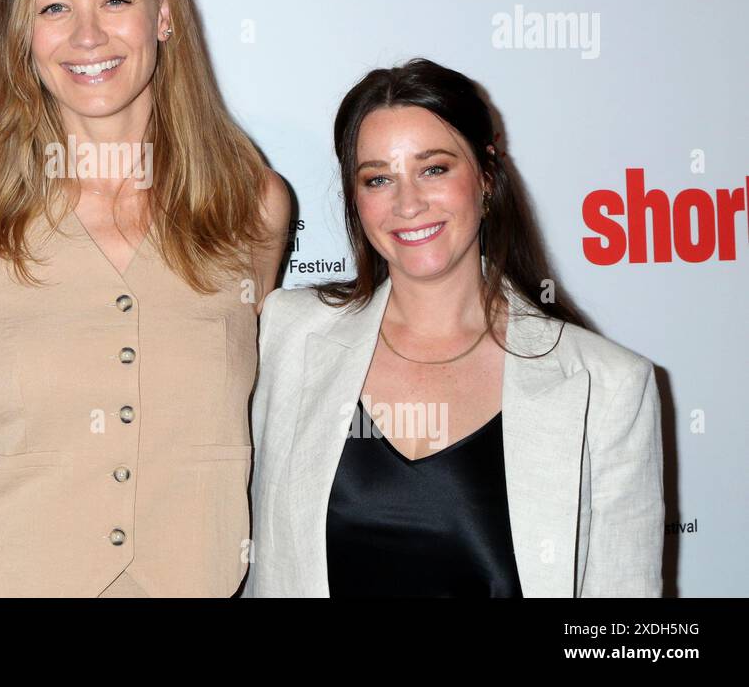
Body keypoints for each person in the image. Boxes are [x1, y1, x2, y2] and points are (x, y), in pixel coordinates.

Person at [0, 0, 289, 597]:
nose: (87, 36)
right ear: (24, 33)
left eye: (115, 0)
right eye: (54, 7)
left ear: (164, 15)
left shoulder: (250, 208)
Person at [245, 58, 663, 597]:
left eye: (434, 169)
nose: (408, 203)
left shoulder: (606, 386)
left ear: (487, 177)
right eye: (378, 178)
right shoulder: (289, 334)